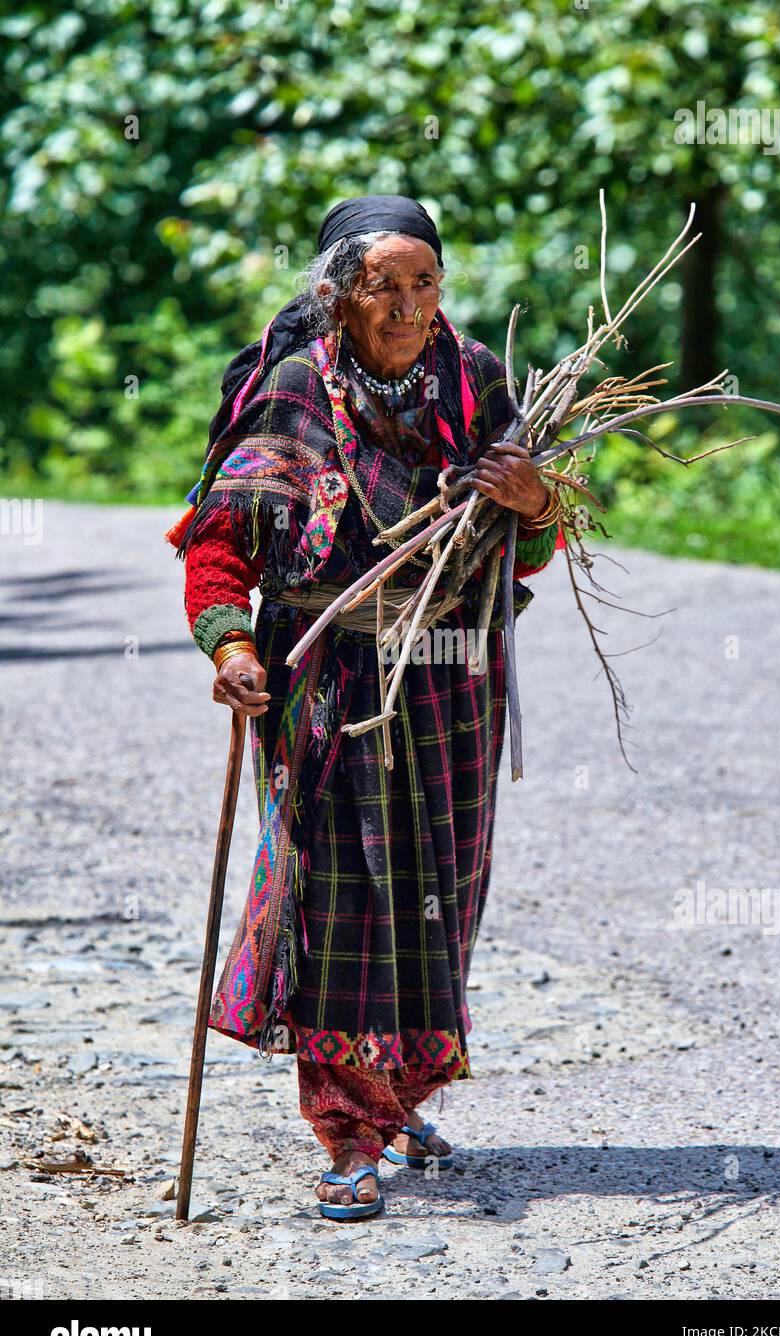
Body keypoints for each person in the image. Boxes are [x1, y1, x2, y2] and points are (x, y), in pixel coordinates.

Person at [169, 194, 562, 1219]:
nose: (403, 304)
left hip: (451, 679)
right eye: (380, 284)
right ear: (337, 294)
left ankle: (401, 1093)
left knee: (441, 891)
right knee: (339, 897)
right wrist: (235, 648)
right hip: (329, 681)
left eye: (422, 282)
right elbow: (216, 551)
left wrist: (534, 504)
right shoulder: (296, 395)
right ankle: (348, 1130)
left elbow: (529, 544)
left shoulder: (474, 384)